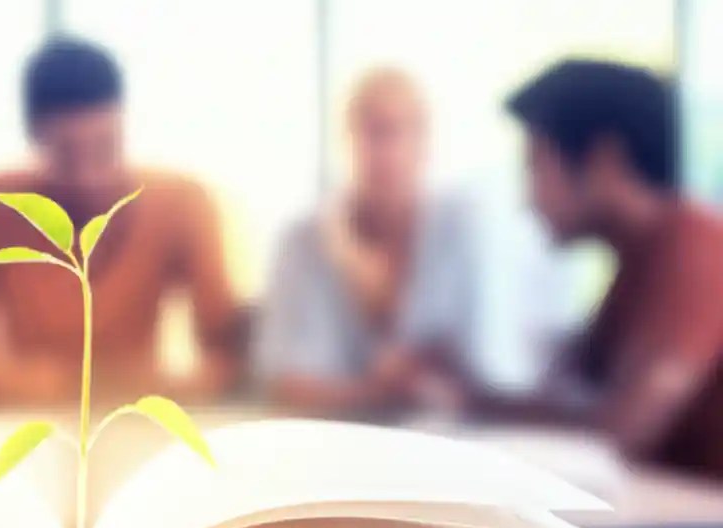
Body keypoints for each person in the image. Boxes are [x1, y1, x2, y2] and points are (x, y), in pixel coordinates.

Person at [0, 37, 240, 407]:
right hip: (31, 420)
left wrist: (60, 381)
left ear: (124, 126)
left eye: (105, 148)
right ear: (34, 138)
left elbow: (227, 363)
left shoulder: (181, 204)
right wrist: (130, 382)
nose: (88, 177)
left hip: (133, 422)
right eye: (65, 154)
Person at [501, 59, 723, 476]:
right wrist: (467, 400)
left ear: (605, 160)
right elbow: (564, 398)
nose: (527, 199)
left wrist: (473, 408)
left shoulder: (700, 249)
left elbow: (618, 437)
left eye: (535, 164)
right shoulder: (636, 264)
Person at [254, 69, 475, 419]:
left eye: (400, 132)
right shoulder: (302, 241)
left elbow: (480, 377)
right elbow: (285, 386)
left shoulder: (461, 232)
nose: (386, 152)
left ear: (426, 143)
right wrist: (384, 391)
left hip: (447, 448)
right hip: (333, 445)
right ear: (348, 141)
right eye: (372, 133)